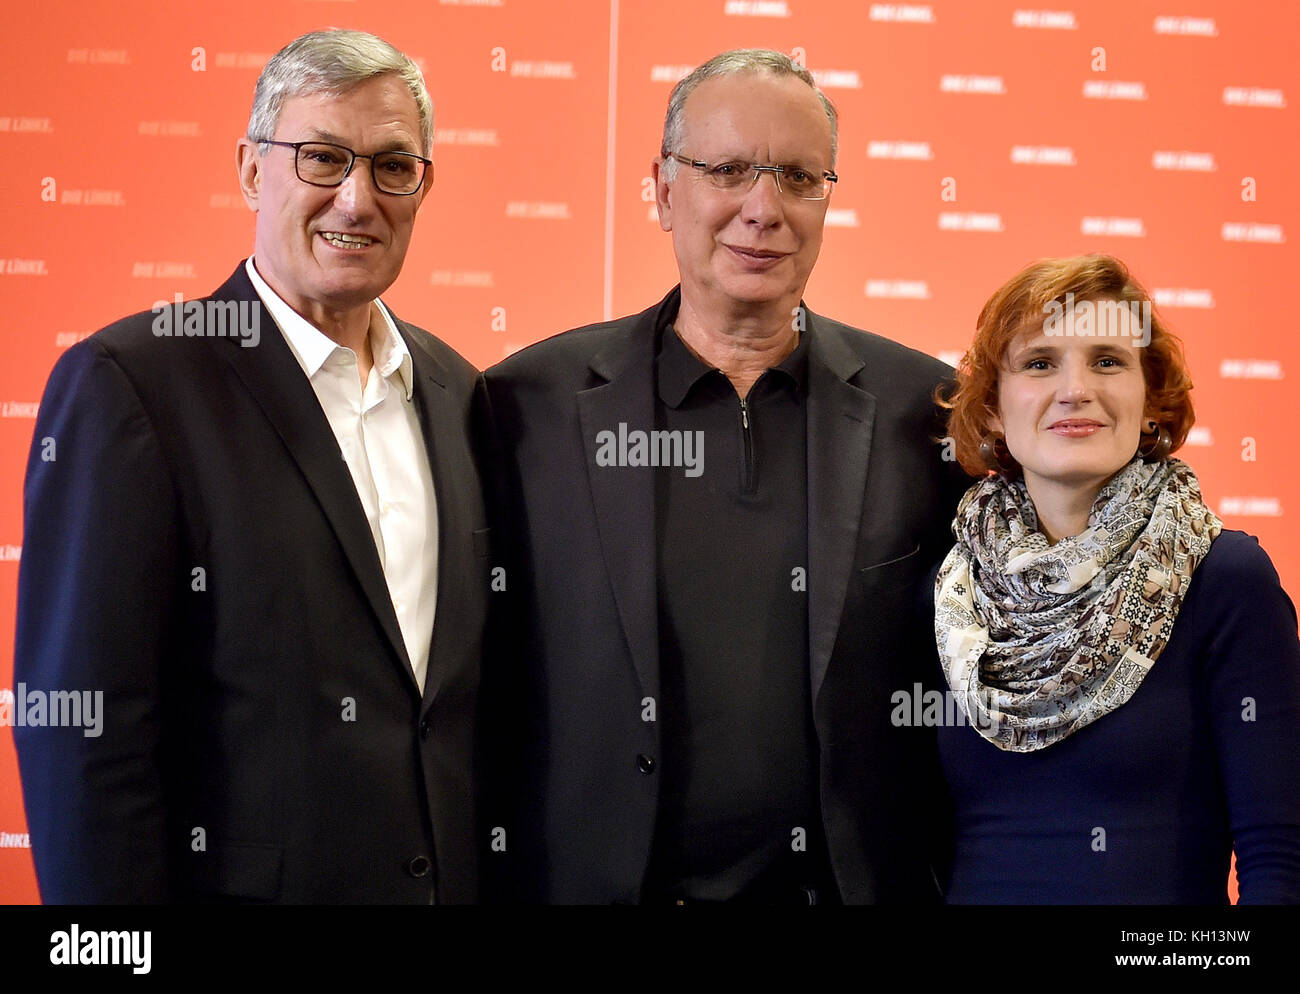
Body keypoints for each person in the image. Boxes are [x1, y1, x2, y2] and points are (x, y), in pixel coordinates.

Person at [477, 48, 968, 904]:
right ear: (665, 190)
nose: (763, 209)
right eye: (730, 170)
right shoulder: (528, 405)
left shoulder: (926, 412)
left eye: (798, 178)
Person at [14, 29, 489, 903]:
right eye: (321, 158)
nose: (357, 200)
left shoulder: (460, 391)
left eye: (393, 166)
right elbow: (85, 739)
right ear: (249, 169)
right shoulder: (134, 384)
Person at [934, 253, 1300, 903]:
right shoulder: (949, 598)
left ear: (1152, 402)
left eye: (1108, 360)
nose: (1076, 389)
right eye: (1040, 363)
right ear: (991, 410)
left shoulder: (1225, 581)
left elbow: (1281, 860)